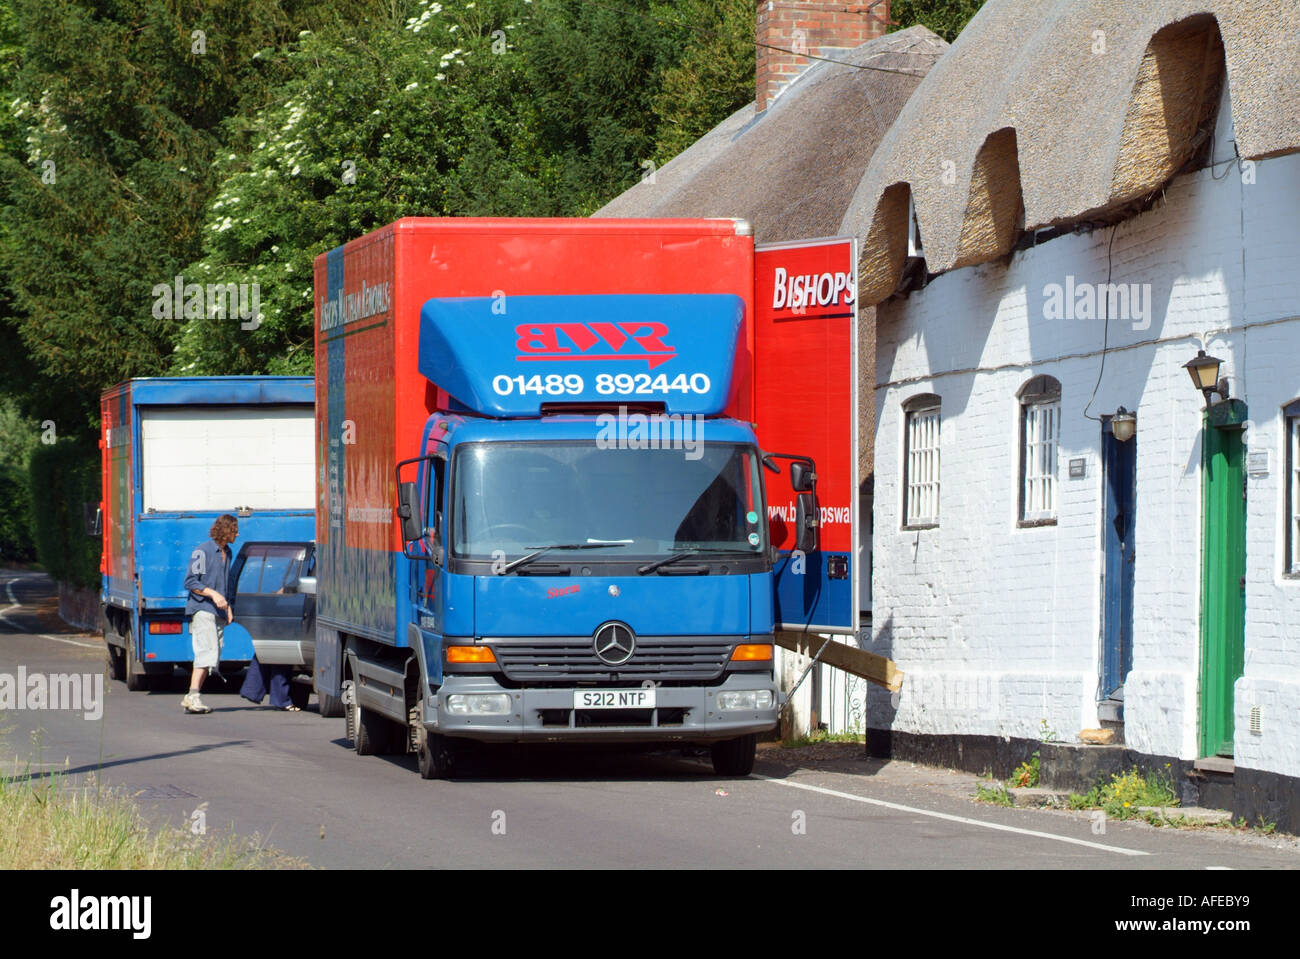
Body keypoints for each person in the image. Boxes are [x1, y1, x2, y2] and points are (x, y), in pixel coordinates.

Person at [182, 513, 238, 714]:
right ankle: (193, 695)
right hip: (203, 609)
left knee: (212, 655)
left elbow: (225, 585)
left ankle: (192, 696)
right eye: (234, 530)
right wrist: (213, 595)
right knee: (206, 653)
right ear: (225, 530)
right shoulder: (203, 551)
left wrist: (228, 606)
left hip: (218, 612)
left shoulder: (228, 552)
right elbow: (191, 582)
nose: (237, 534)